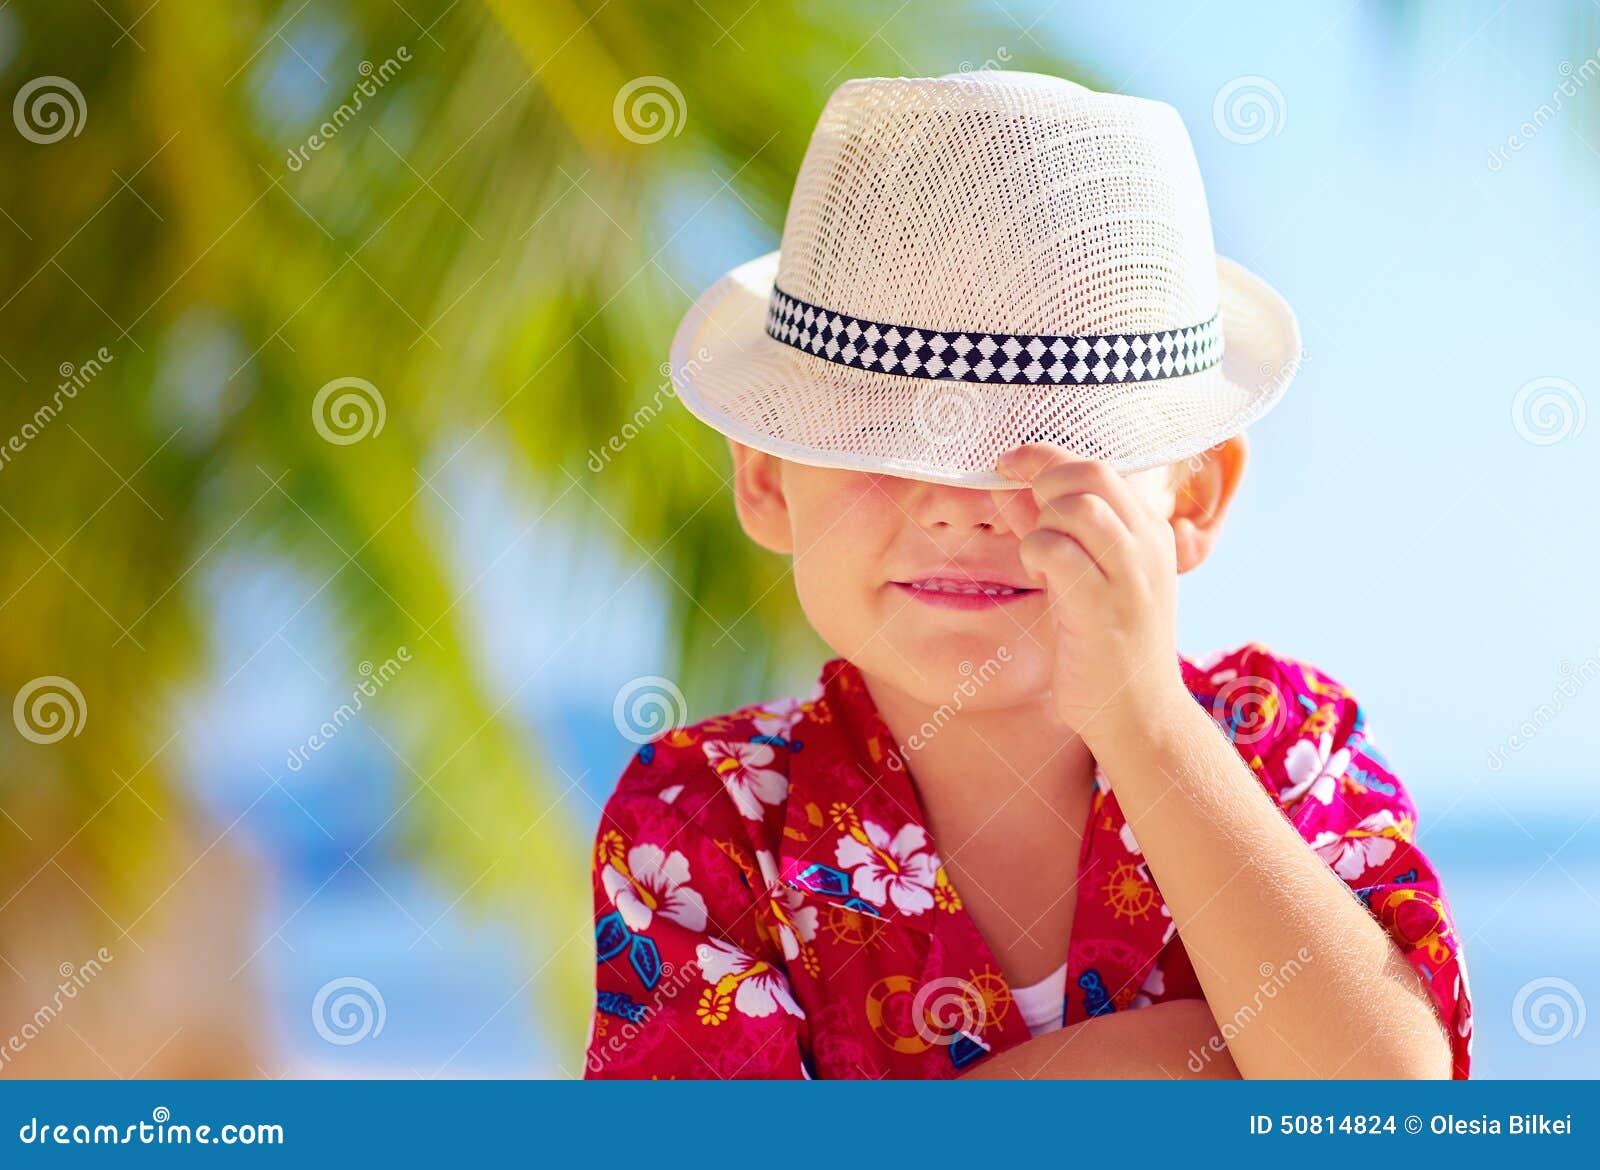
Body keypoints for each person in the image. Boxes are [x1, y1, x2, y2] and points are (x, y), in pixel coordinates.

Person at [584, 70, 1470, 1080]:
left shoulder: (1285, 748)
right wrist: (1148, 1075)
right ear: (767, 479)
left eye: (1047, 444)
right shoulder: (711, 816)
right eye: (881, 437)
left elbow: (1390, 1108)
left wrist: (1143, 724)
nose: (959, 504)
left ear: (1191, 497)